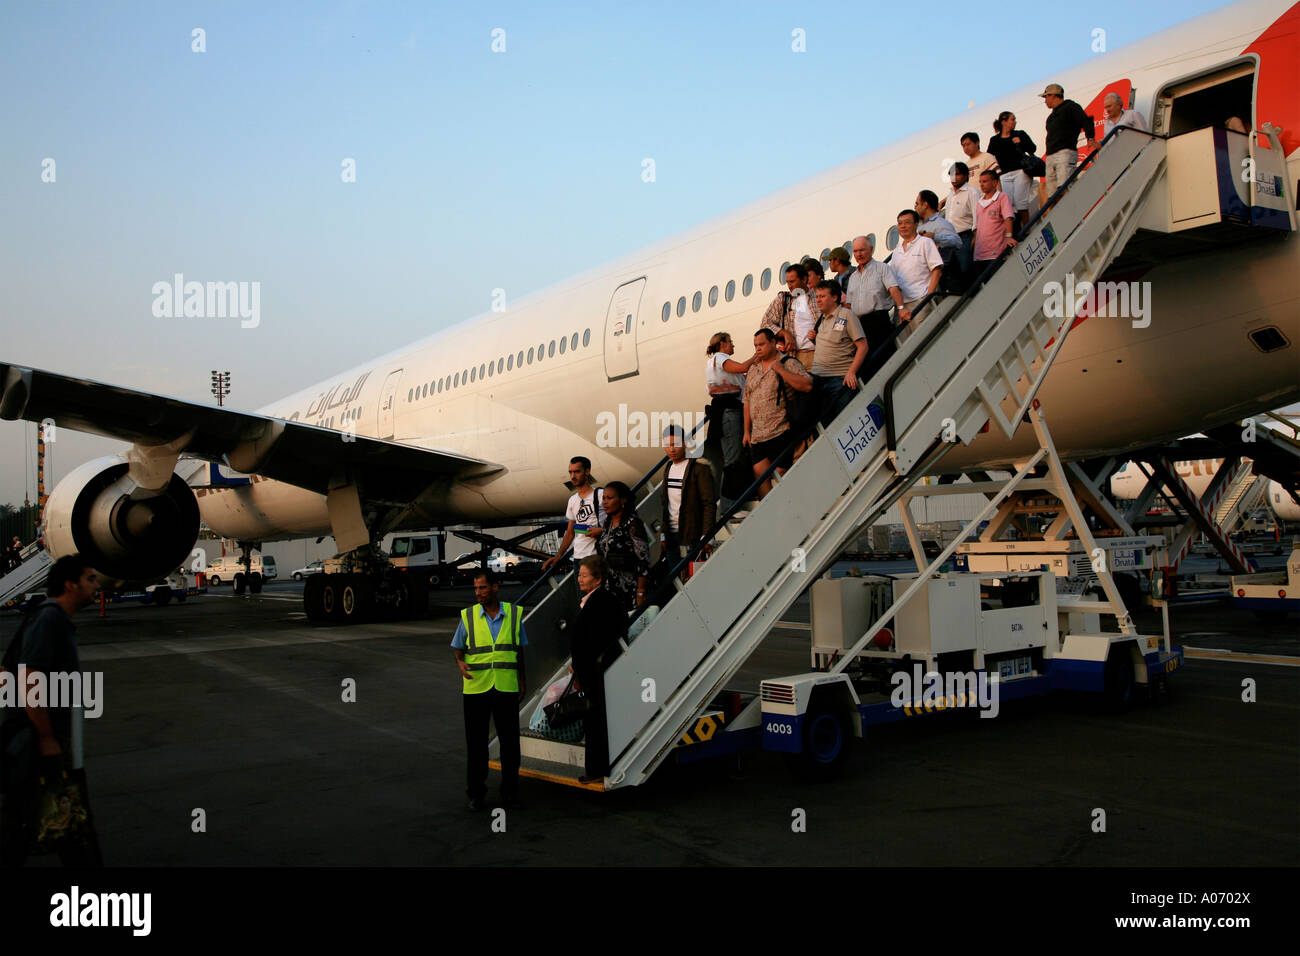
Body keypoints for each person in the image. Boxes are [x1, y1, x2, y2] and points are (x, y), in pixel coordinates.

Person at [1, 553, 103, 866]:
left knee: (40, 824)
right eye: (90, 579)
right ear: (70, 585)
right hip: (39, 746)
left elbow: (6, 670)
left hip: (46, 743)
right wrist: (44, 735)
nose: (96, 585)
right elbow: (28, 677)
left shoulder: (50, 618)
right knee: (51, 824)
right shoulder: (49, 619)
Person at [451, 568, 527, 811]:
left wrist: (522, 680)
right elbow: (457, 646)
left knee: (510, 744)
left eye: (482, 588)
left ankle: (510, 792)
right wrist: (460, 661)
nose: (478, 593)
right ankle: (476, 793)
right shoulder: (469, 616)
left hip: (505, 685)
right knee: (476, 744)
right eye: (475, 589)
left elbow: (519, 650)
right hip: (476, 687)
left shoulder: (514, 615)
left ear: (495, 587)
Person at [567, 556, 627, 783]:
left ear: (597, 578)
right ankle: (595, 768)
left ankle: (596, 769)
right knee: (593, 720)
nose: (579, 579)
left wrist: (581, 667)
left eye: (583, 575)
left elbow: (592, 641)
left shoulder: (601, 602)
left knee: (595, 721)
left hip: (594, 672)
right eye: (579, 574)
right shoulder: (598, 599)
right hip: (591, 670)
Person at [743, 328, 813, 498]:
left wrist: (780, 370)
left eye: (761, 344)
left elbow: (807, 385)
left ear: (773, 342)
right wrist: (746, 431)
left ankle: (791, 507)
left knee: (782, 472)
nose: (758, 348)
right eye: (755, 345)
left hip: (780, 429)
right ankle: (770, 512)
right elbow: (747, 400)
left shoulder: (788, 362)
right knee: (760, 475)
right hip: (758, 434)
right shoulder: (753, 369)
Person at [704, 332, 754, 509]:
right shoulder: (721, 358)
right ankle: (729, 506)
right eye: (731, 342)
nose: (733, 345)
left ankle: (733, 501)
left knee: (734, 458)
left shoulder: (711, 363)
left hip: (723, 412)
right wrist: (758, 356)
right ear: (722, 343)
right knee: (733, 460)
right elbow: (740, 368)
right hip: (730, 411)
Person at [810, 281, 867, 425]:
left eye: (822, 296)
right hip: (819, 379)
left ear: (835, 297)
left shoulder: (846, 315)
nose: (818, 300)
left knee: (844, 423)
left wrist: (852, 372)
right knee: (824, 424)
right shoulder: (822, 319)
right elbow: (834, 345)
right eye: (817, 297)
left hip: (839, 379)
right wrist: (814, 340)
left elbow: (863, 346)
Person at [658, 424, 716, 566]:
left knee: (693, 578)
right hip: (672, 536)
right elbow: (666, 505)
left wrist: (707, 536)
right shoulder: (668, 467)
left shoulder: (699, 468)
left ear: (685, 443)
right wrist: (663, 534)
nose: (671, 449)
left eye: (676, 444)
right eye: (667, 445)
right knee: (676, 579)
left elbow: (709, 503)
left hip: (692, 534)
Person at [541, 457, 602, 575]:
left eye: (577, 472)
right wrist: (558, 556)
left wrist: (601, 530)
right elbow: (570, 532)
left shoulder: (600, 495)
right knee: (581, 593)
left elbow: (617, 523)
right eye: (570, 472)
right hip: (578, 558)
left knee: (597, 593)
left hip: (596, 556)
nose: (573, 476)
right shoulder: (572, 500)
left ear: (587, 472)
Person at [596, 481, 650, 612]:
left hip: (630, 587)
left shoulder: (633, 524)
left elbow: (643, 560)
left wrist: (641, 592)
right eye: (603, 498)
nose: (605, 502)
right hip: (610, 587)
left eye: (610, 498)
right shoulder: (607, 524)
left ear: (623, 500)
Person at [843, 235, 895, 368]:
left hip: (879, 320)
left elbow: (894, 289)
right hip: (860, 324)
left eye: (862, 250)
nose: (858, 254)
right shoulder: (853, 277)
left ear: (871, 250)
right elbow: (848, 305)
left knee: (884, 358)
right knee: (868, 364)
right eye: (855, 251)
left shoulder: (882, 268)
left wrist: (901, 308)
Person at [886, 210, 944, 325]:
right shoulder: (897, 250)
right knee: (905, 340)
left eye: (907, 222)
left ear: (916, 224)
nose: (903, 226)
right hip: (902, 305)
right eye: (900, 223)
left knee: (923, 337)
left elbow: (937, 270)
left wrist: (929, 297)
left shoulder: (925, 242)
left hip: (921, 300)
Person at [1040, 84, 1097, 199]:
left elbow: (1085, 120)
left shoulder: (1070, 107)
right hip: (1051, 155)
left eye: (1046, 97)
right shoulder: (1051, 116)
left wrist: (1090, 138)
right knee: (1051, 194)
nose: (1045, 100)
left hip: (1065, 152)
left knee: (1064, 187)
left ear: (1054, 96)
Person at [986, 111, 1037, 228]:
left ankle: (1027, 228)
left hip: (1021, 171)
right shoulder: (994, 140)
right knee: (1008, 205)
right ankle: (1014, 230)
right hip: (1004, 175)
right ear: (1004, 122)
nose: (1015, 122)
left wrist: (1021, 143)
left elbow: (1032, 148)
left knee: (1021, 202)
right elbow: (990, 158)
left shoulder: (1020, 134)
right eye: (1012, 119)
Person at [939, 162, 980, 283]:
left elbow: (977, 217)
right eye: (952, 174)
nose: (954, 177)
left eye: (958, 174)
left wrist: (975, 237)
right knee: (950, 270)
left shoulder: (972, 192)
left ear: (965, 175)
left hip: (965, 236)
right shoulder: (951, 194)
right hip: (950, 238)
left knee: (965, 267)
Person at [915, 189, 962, 290]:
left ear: (925, 204)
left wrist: (934, 237)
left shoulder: (940, 223)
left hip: (936, 273)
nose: (915, 207)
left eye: (917, 203)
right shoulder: (918, 225)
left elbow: (957, 242)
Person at [972, 169, 1018, 269]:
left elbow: (1008, 217)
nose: (982, 184)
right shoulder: (979, 203)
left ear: (994, 182)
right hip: (980, 254)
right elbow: (977, 225)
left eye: (985, 181)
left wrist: (1009, 236)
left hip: (996, 251)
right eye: (980, 182)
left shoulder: (1002, 197)